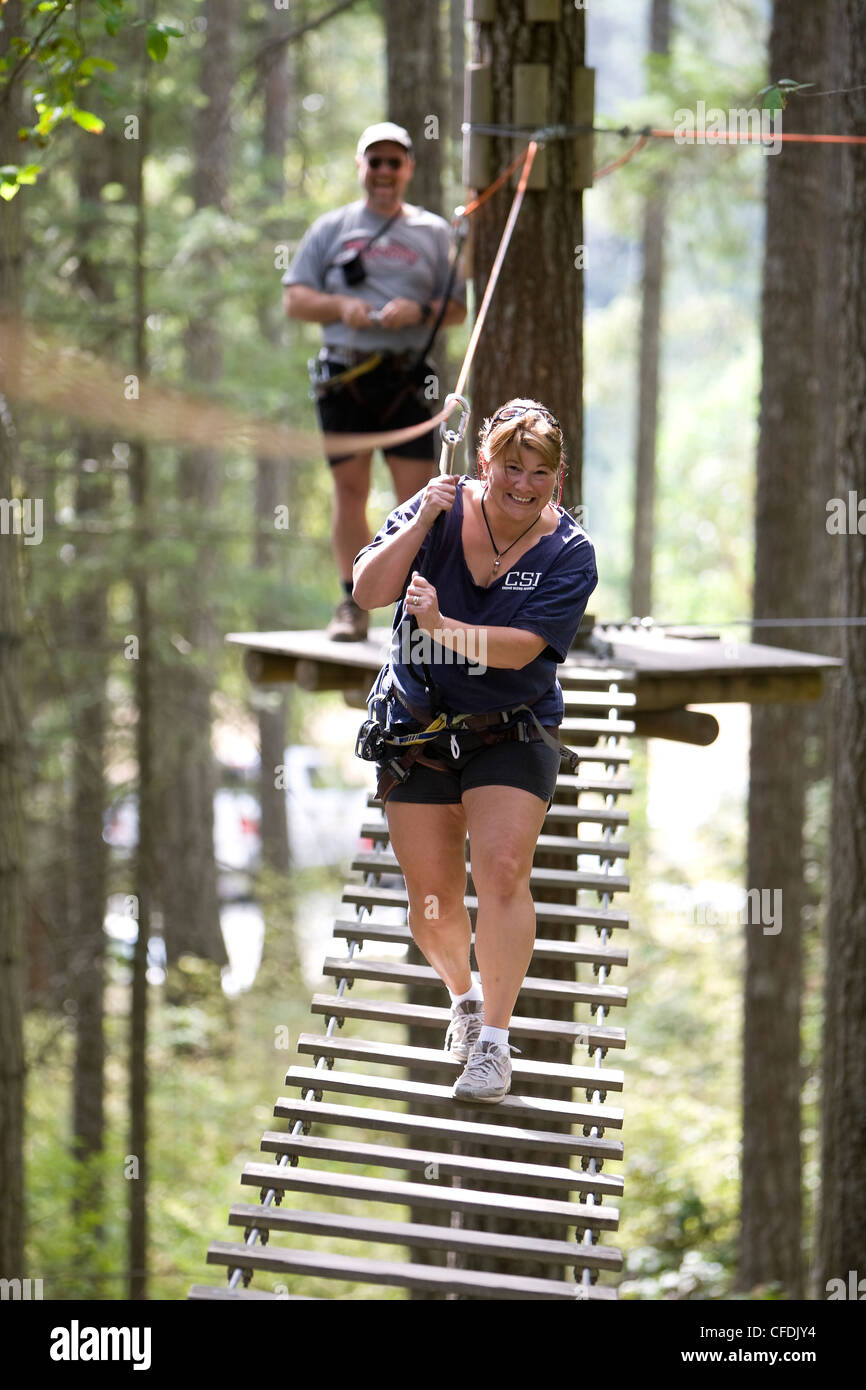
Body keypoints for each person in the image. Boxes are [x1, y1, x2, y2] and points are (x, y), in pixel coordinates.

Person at [352, 400, 598, 1102]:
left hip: (510, 726)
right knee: (431, 900)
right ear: (483, 463)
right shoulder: (435, 507)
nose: (523, 484)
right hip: (419, 726)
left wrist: (441, 624)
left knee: (500, 868)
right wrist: (421, 523)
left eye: (540, 473)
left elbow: (524, 649)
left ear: (559, 477)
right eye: (510, 468)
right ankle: (461, 996)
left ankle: (493, 1041)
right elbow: (369, 590)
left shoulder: (570, 554)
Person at [283, 121, 467, 641]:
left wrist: (418, 310)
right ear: (361, 167)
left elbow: (455, 309)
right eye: (376, 162)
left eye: (394, 162)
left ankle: (415, 611)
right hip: (345, 376)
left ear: (408, 169)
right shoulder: (331, 229)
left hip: (407, 379)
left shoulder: (433, 233)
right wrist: (342, 305)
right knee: (350, 490)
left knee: (418, 495)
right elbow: (295, 297)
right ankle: (352, 602)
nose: (384, 172)